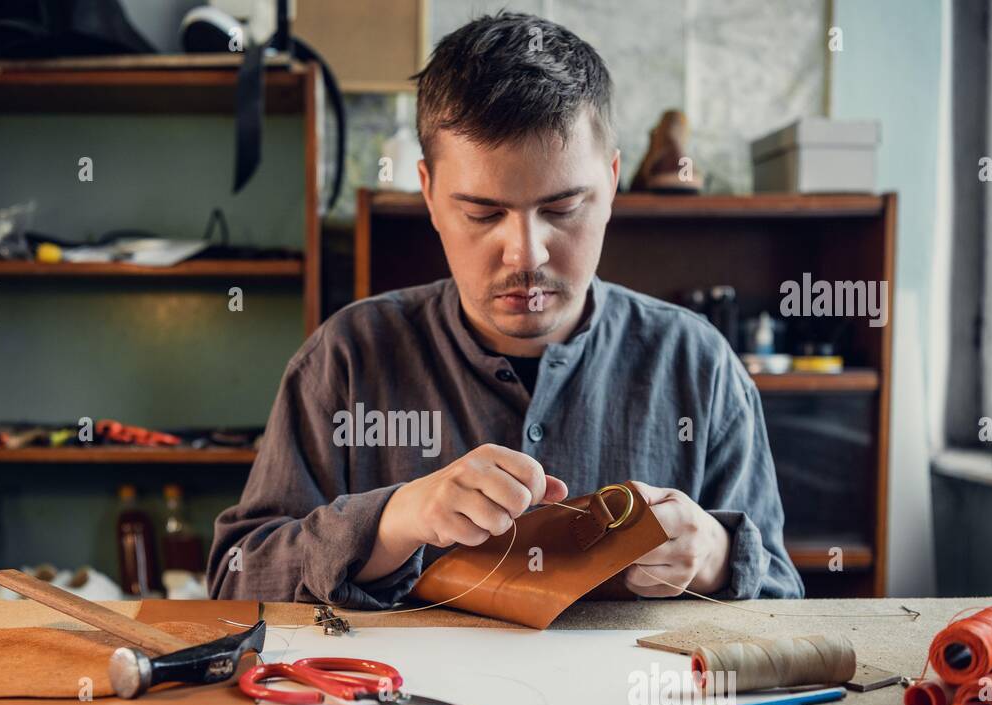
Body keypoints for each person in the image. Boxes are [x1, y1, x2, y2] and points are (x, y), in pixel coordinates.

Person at [208, 11, 803, 607]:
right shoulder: (345, 359)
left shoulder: (699, 365)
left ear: (613, 182)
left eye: (564, 207)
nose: (526, 253)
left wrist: (715, 558)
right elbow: (235, 580)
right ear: (431, 196)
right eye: (482, 213)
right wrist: (392, 522)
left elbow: (786, 606)